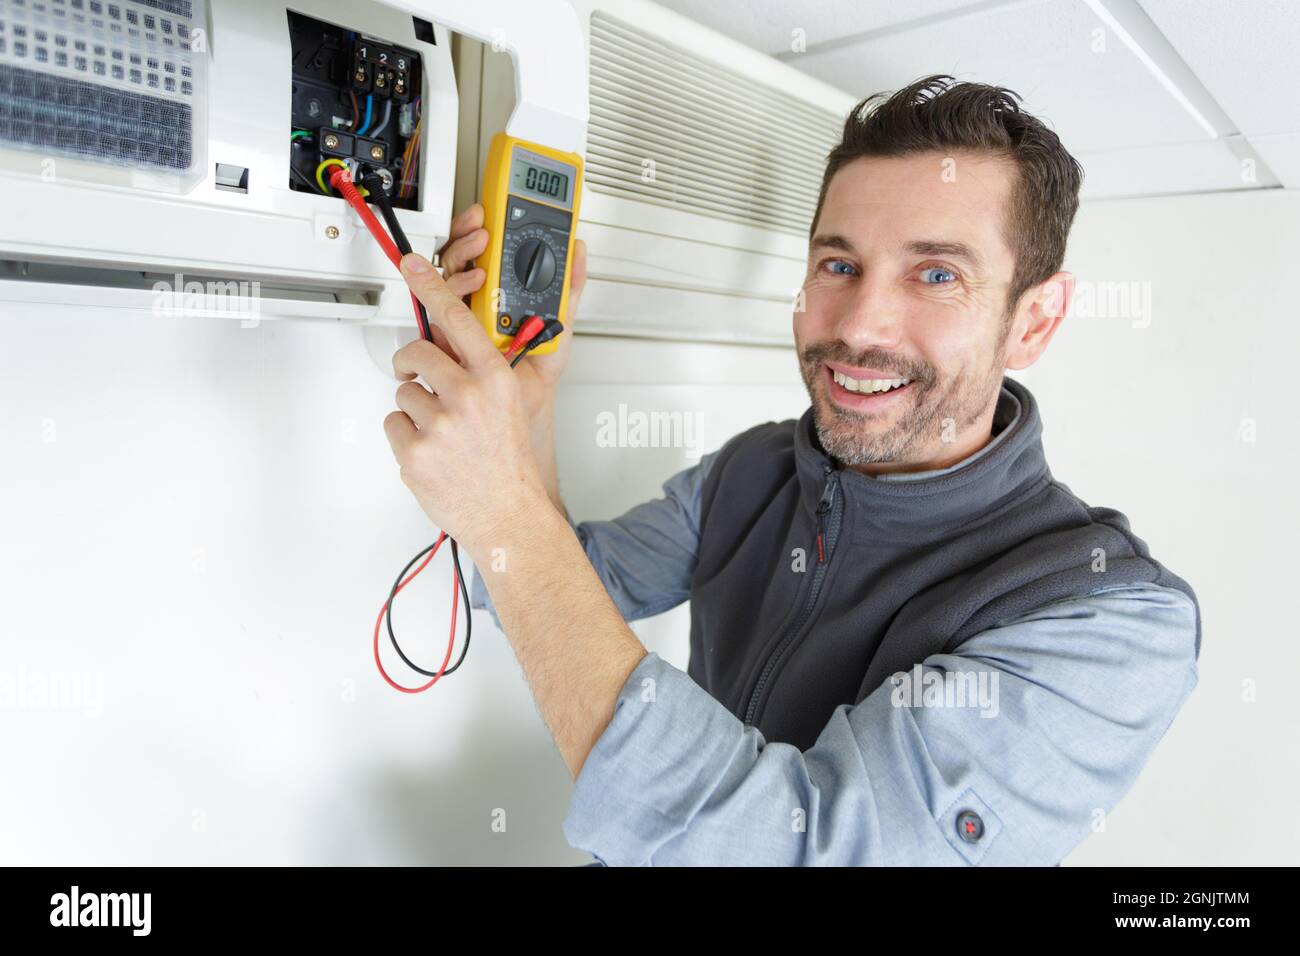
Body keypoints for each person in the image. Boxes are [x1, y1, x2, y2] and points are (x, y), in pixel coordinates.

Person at [382, 75, 1201, 865]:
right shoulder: (755, 468)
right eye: (839, 265)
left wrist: (510, 518)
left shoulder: (1111, 620)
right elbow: (564, 584)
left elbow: (801, 852)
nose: (860, 327)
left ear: (1035, 321)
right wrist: (526, 410)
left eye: (937, 275)